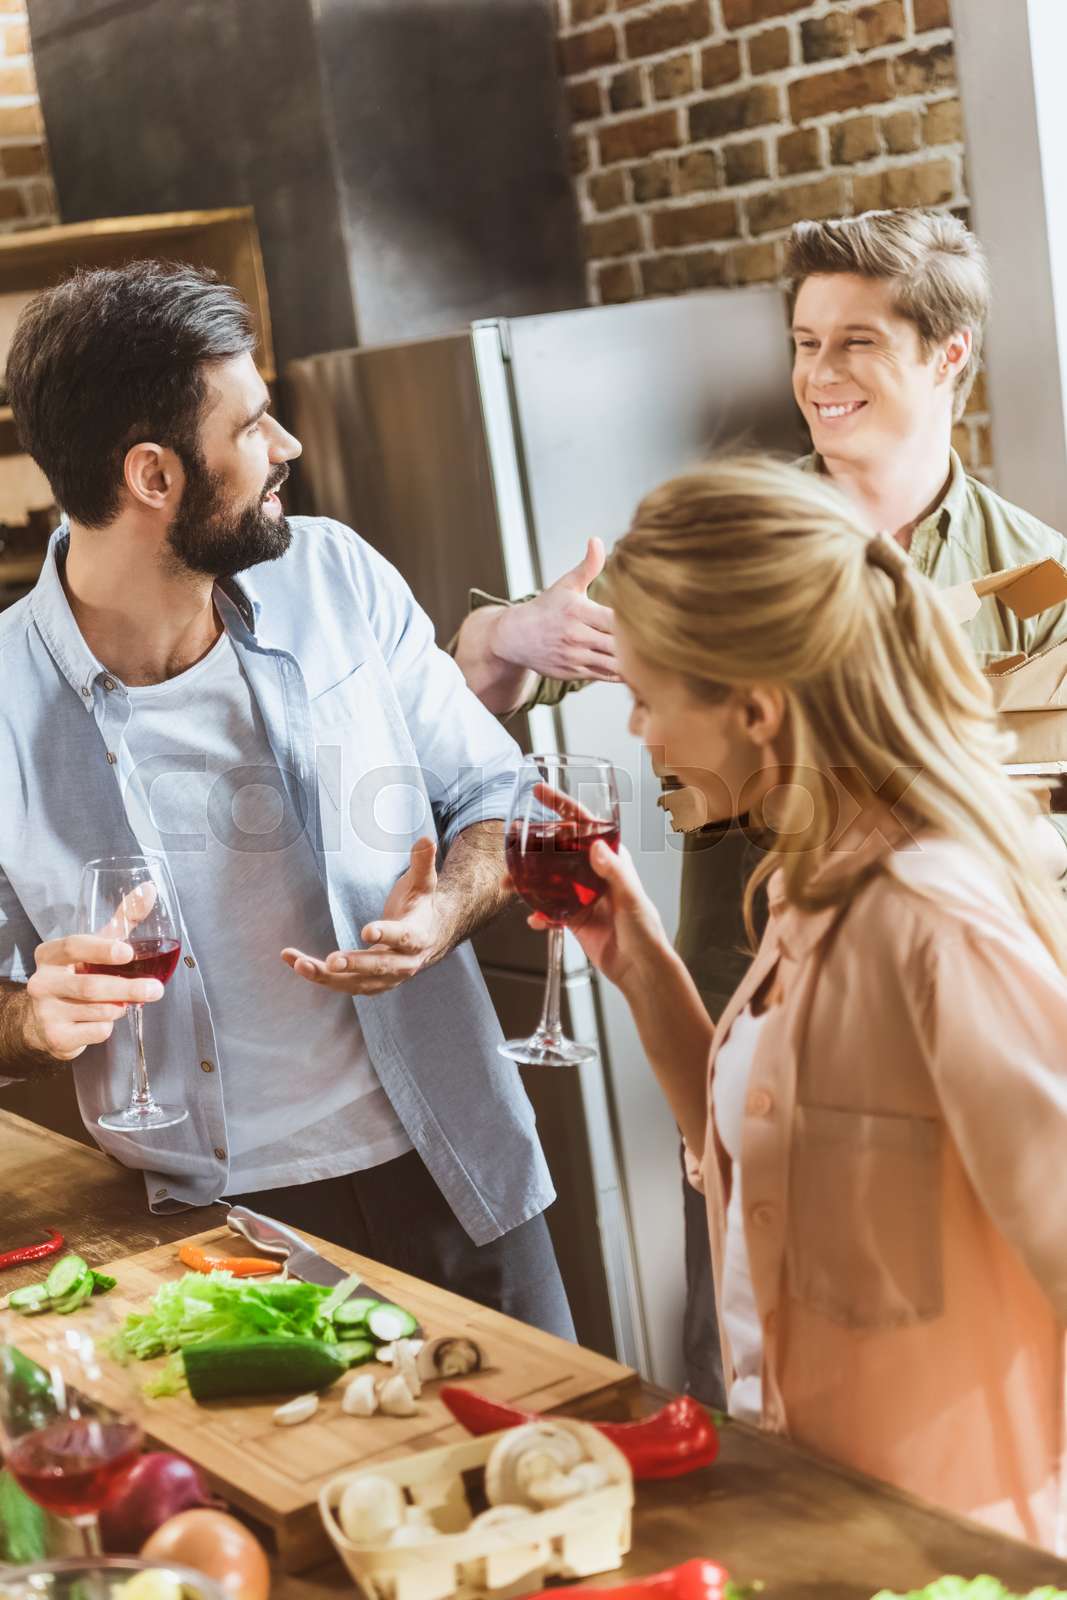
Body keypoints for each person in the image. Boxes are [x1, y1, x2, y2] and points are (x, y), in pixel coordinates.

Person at [451, 206, 1067, 1396]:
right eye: (803, 342)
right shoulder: (732, 539)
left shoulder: (1034, 584)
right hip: (737, 1014)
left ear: (946, 354)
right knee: (733, 1357)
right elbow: (493, 686)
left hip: (914, 1058)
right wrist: (503, 629)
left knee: (899, 1364)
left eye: (854, 343)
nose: (817, 376)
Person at [0, 261, 573, 1339]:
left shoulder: (337, 577)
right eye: (254, 427)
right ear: (153, 477)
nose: (288, 449)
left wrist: (442, 908)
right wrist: (35, 1016)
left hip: (456, 1169)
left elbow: (497, 791)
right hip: (215, 1238)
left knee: (559, 1484)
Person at [517, 454, 1067, 1550]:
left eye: (645, 697)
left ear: (757, 713)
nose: (638, 732)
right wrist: (638, 964)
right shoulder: (800, 890)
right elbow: (747, 1147)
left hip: (957, 1546)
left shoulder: (932, 923)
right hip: (821, 1520)